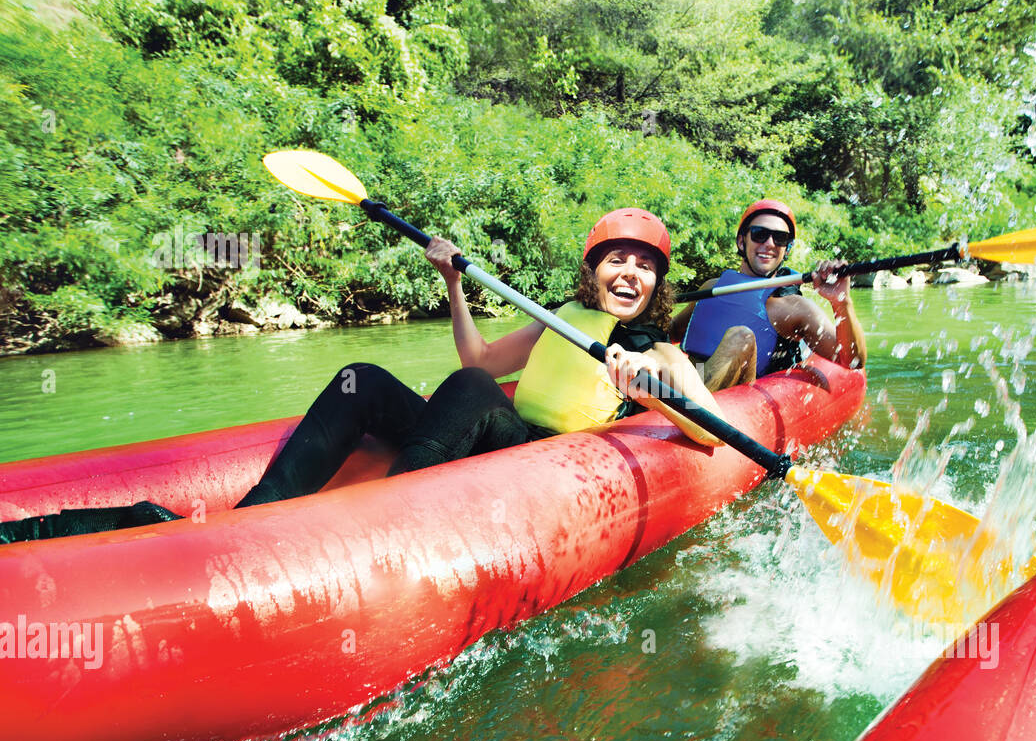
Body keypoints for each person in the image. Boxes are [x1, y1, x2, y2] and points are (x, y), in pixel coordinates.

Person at [0, 209, 722, 543]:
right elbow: (478, 361)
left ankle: (384, 527)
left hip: (540, 460)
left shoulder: (655, 348)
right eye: (615, 258)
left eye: (644, 263)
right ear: (593, 270)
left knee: (468, 396)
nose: (628, 271)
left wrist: (647, 384)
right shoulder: (559, 314)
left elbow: (710, 431)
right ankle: (252, 518)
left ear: (657, 281)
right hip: (483, 435)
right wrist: (451, 283)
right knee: (364, 376)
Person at [669, 199, 867, 391]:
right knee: (661, 352)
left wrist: (842, 303)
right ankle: (647, 400)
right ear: (741, 241)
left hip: (733, 399)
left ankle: (680, 406)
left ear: (787, 249)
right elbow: (672, 331)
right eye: (759, 234)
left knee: (740, 337)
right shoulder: (712, 288)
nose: (770, 243)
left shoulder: (793, 308)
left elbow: (852, 362)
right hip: (692, 379)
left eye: (779, 238)